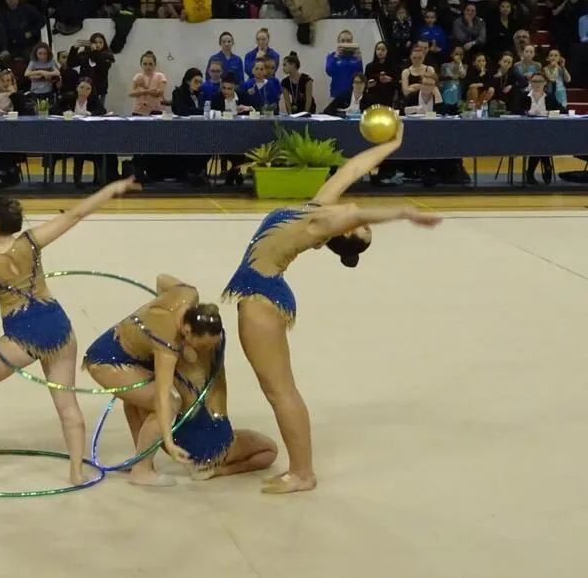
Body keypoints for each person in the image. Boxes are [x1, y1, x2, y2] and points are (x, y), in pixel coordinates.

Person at [221, 122, 441, 494]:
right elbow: (350, 170)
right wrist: (392, 144)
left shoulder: (322, 223)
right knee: (278, 389)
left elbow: (362, 214)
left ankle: (302, 473)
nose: (359, 219)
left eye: (361, 228)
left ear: (345, 232)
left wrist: (405, 211)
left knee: (279, 391)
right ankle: (299, 469)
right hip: (262, 292)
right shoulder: (318, 208)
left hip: (262, 301)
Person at [0, 178, 140, 487]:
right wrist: (113, 189)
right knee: (66, 404)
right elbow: (75, 215)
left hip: (24, 334)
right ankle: (76, 472)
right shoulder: (30, 241)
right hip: (58, 325)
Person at [84, 275, 277, 485]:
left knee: (136, 400)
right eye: (201, 345)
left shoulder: (188, 294)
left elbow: (161, 279)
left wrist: (156, 311)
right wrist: (168, 440)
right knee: (170, 402)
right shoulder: (167, 346)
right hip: (107, 362)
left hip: (130, 355)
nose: (202, 351)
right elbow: (163, 396)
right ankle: (142, 469)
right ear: (186, 331)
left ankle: (140, 458)